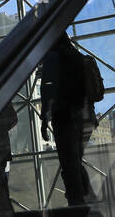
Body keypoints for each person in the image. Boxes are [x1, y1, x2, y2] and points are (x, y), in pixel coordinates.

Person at [39, 34, 99, 205]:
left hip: (65, 118)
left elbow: (47, 90)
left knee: (69, 166)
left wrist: (44, 119)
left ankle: (78, 205)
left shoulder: (52, 57)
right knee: (75, 163)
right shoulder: (77, 56)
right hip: (86, 118)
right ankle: (90, 202)